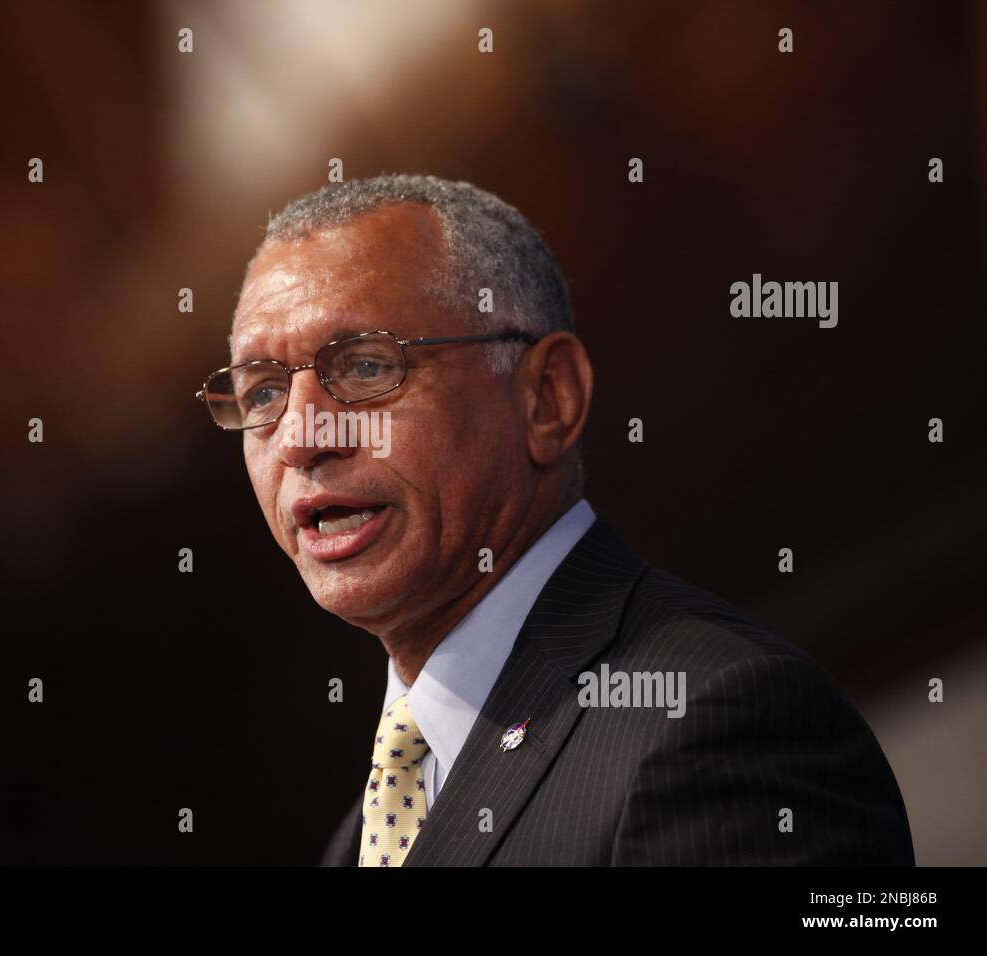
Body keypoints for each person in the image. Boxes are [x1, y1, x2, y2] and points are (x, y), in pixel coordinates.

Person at [196, 173, 914, 866]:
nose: (299, 437)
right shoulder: (356, 842)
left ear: (548, 398)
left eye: (363, 368)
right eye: (261, 394)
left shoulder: (720, 722)